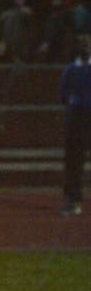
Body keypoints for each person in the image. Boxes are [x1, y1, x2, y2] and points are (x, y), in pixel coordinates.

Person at [59, 32, 91, 216]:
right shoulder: (71, 70)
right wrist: (73, 102)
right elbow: (62, 94)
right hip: (77, 118)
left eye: (87, 44)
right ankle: (73, 199)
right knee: (74, 161)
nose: (85, 47)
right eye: (82, 44)